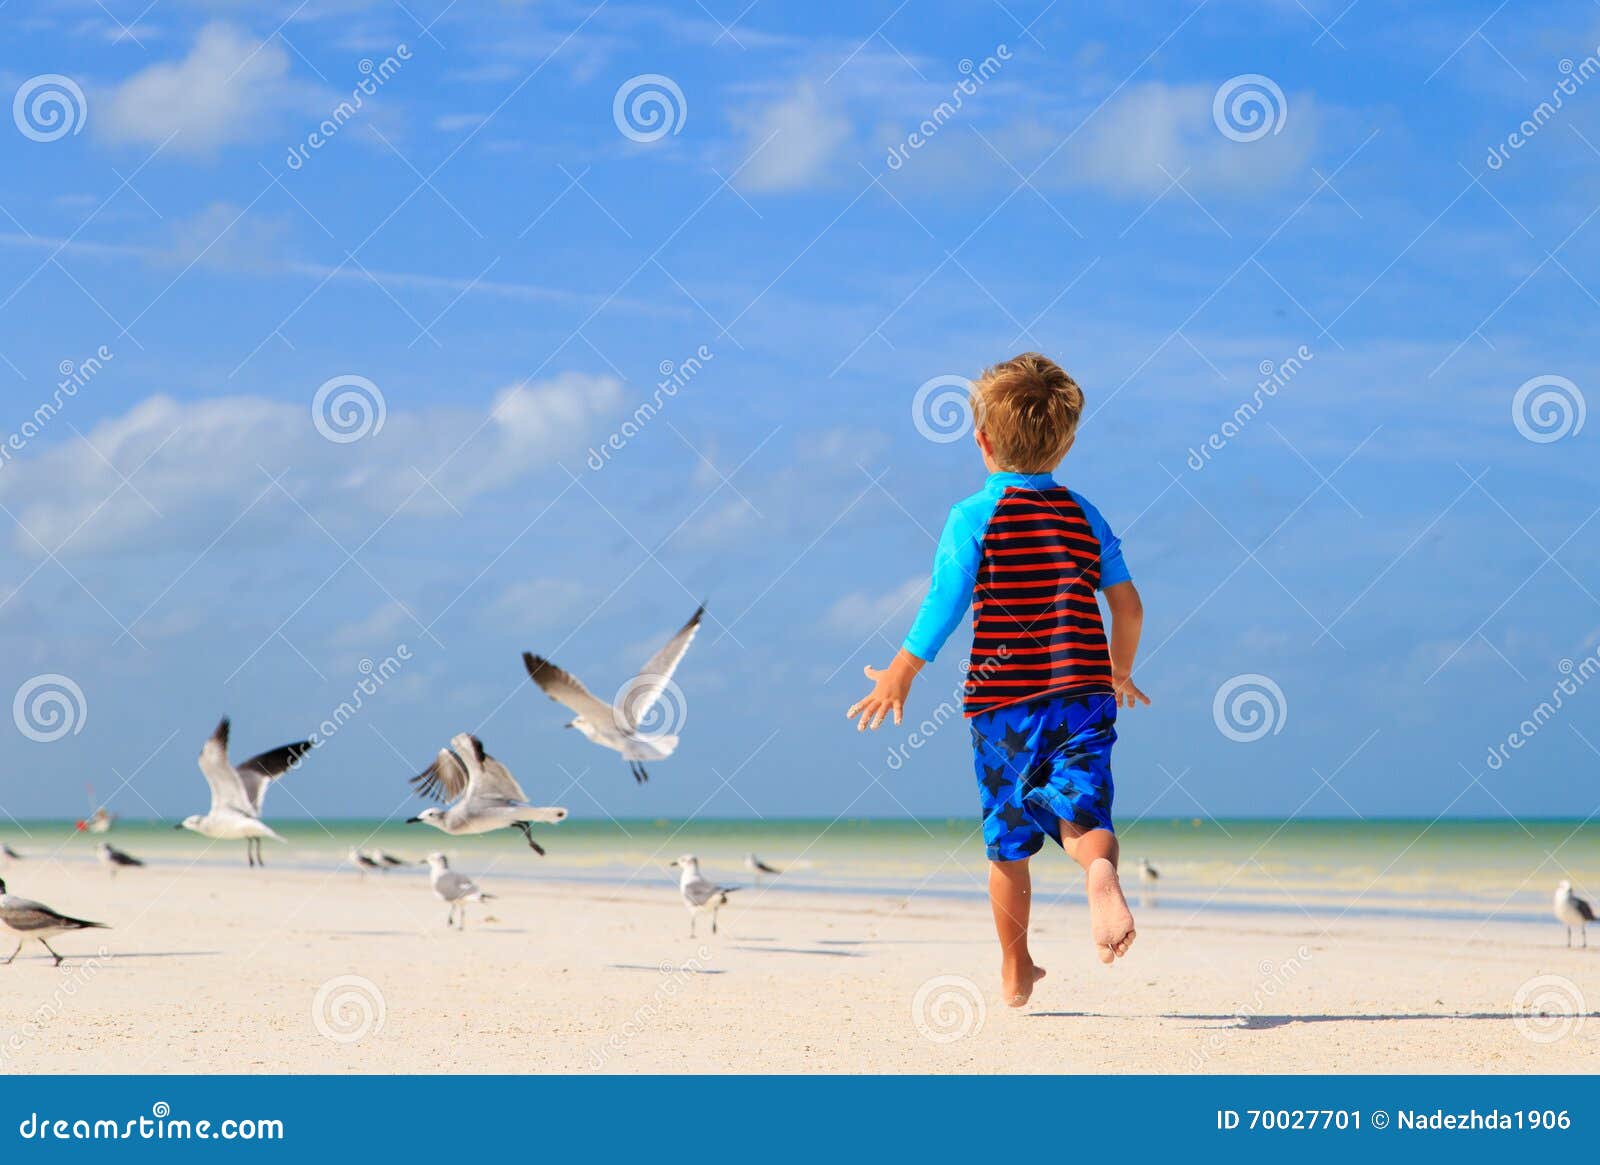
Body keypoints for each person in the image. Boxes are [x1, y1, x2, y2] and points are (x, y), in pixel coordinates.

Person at [847, 352, 1150, 1006]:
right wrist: (1119, 670)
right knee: (1083, 812)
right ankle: (1099, 868)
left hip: (1004, 703)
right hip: (1084, 695)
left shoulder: (973, 516)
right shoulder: (1085, 516)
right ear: (1066, 443)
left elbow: (944, 601)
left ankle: (1016, 965)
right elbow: (1128, 606)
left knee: (1008, 844)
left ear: (981, 441)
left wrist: (902, 670)